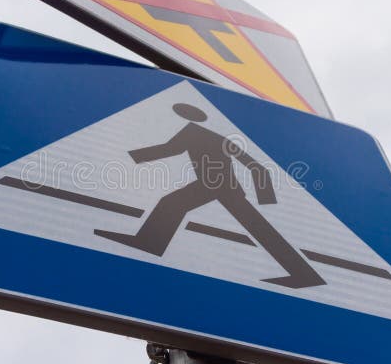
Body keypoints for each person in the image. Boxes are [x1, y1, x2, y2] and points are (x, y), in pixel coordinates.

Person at [94, 103, 325, 289]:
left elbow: (170, 149)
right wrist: (265, 197)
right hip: (216, 185)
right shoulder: (217, 136)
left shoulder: (193, 132)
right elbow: (256, 166)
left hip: (219, 185)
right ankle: (150, 241)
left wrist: (128, 155)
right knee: (174, 203)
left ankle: (304, 274)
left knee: (254, 227)